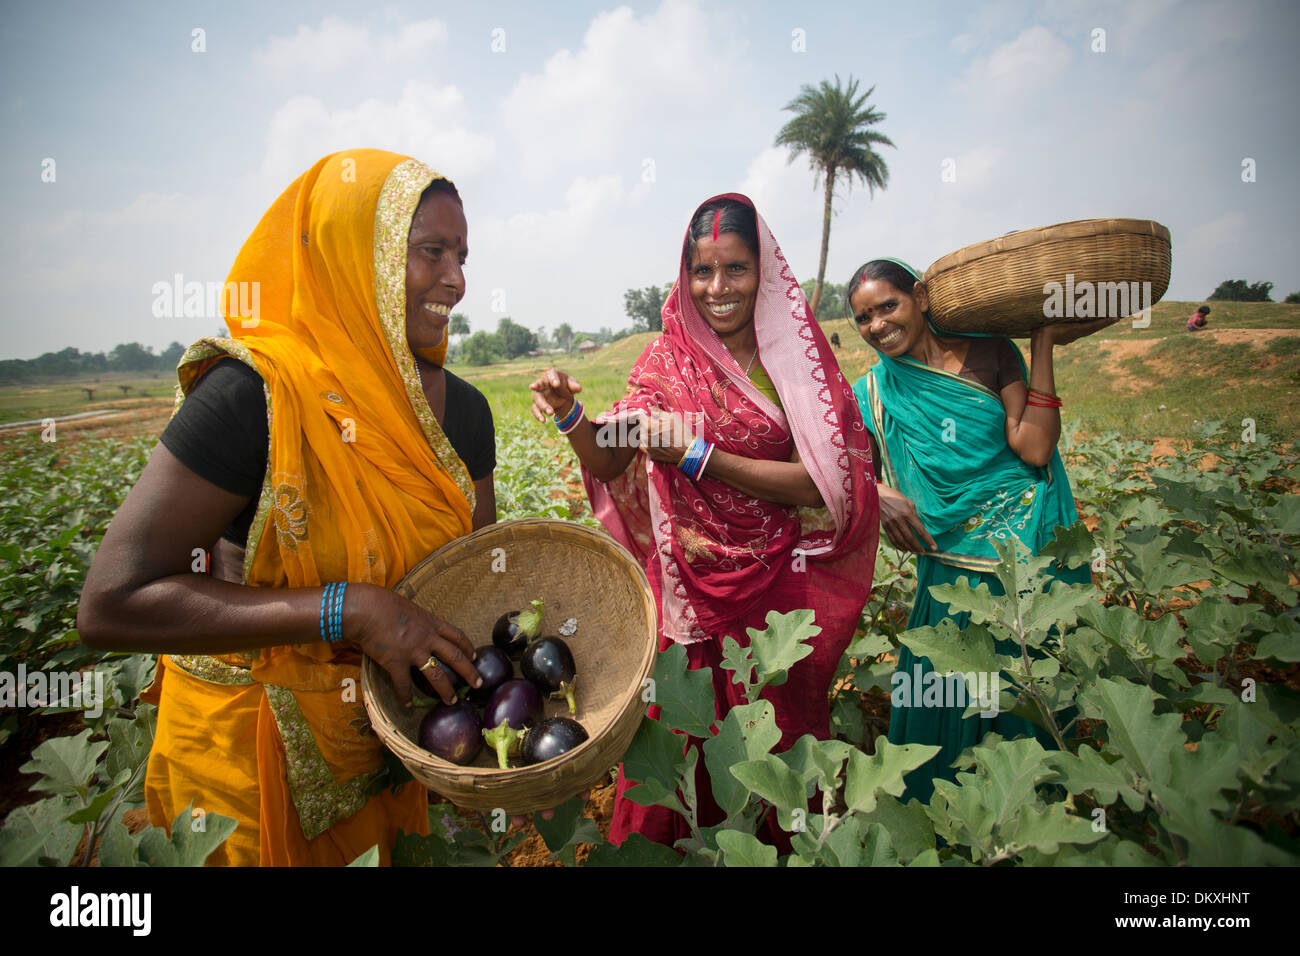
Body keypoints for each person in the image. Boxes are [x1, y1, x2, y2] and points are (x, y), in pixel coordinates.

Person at [75, 149, 507, 866]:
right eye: (431, 251)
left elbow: (474, 579)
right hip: (246, 768)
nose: (457, 280)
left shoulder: (464, 414)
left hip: (388, 747)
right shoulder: (254, 397)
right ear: (348, 256)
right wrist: (354, 610)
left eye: (462, 255)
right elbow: (113, 601)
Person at [530, 195, 879, 846]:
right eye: (702, 271)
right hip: (688, 592)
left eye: (735, 270)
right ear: (684, 276)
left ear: (763, 273)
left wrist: (699, 457)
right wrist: (570, 416)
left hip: (777, 591)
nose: (717, 288)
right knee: (681, 743)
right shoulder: (668, 362)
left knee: (773, 744)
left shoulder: (797, 366)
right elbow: (612, 460)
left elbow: (819, 484)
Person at [846, 257, 1106, 803]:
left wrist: (1042, 345)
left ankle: (1029, 812)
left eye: (887, 306)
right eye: (863, 318)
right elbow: (842, 466)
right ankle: (945, 817)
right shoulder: (871, 391)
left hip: (1022, 548)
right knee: (945, 684)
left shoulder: (990, 353)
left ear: (919, 296)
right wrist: (878, 490)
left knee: (1020, 684)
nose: (877, 326)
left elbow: (1034, 448)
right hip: (947, 561)